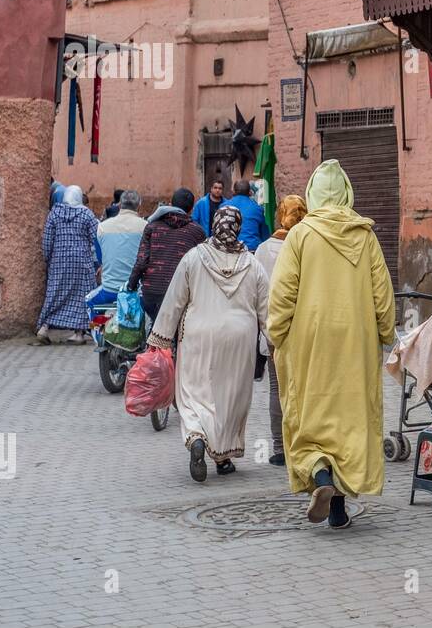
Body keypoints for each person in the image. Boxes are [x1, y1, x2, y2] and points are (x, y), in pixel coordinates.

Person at [268, 160, 395, 529]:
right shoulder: (364, 235)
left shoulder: (300, 236)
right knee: (348, 422)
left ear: (313, 195)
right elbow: (382, 295)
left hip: (310, 341)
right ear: (345, 194)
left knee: (310, 415)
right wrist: (386, 334)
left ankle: (321, 476)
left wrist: (277, 335)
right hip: (355, 341)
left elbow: (282, 295)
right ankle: (338, 509)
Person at [147, 206, 269, 482]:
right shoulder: (253, 265)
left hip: (198, 335)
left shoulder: (194, 258)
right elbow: (267, 311)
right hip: (240, 338)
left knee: (193, 392)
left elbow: (175, 300)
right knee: (230, 396)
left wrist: (160, 338)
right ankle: (223, 458)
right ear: (237, 228)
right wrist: (278, 343)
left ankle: (196, 436)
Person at [254, 195, 308, 468]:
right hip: (306, 330)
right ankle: (304, 446)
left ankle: (279, 448)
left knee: (278, 388)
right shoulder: (309, 244)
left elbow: (259, 292)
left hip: (275, 329)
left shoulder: (264, 249)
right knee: (305, 388)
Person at [128, 189, 207, 325]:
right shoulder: (197, 231)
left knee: (157, 324)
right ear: (191, 209)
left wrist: (131, 285)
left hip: (152, 294)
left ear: (171, 204)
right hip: (182, 295)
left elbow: (142, 261)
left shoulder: (152, 227)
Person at [36, 186, 100, 344]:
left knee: (55, 294)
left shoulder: (54, 213)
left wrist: (48, 259)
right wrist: (100, 261)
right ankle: (79, 334)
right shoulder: (86, 214)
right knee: (82, 296)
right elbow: (97, 239)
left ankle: (44, 328)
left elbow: (46, 241)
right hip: (82, 263)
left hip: (59, 261)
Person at [85, 190, 146, 321]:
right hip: (136, 293)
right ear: (139, 206)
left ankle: (99, 335)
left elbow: (101, 259)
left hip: (109, 291)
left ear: (119, 205)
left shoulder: (102, 227)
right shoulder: (145, 227)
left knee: (89, 301)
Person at [222, 179, 270, 252]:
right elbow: (265, 236)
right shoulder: (257, 209)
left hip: (228, 249)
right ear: (249, 192)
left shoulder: (223, 206)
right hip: (251, 249)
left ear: (234, 191)